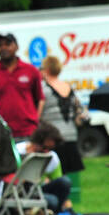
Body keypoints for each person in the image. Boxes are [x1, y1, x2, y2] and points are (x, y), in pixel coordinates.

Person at [39, 54, 86, 182]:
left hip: (52, 136)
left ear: (47, 70)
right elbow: (79, 110)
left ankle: (61, 197)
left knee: (52, 171)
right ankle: (68, 198)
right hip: (70, 134)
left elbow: (38, 113)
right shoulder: (68, 87)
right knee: (68, 171)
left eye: (41, 68)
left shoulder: (43, 89)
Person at [0, 33, 43, 141]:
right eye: (0, 45)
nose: (4, 48)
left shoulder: (31, 70)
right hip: (2, 129)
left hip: (27, 130)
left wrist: (35, 119)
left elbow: (40, 98)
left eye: (8, 44)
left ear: (17, 47)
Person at [17, 122, 72, 212]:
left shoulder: (52, 157)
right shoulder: (18, 152)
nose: (47, 152)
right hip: (19, 192)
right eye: (45, 148)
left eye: (51, 149)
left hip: (38, 190)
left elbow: (59, 182)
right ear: (35, 143)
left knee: (65, 182)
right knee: (52, 200)